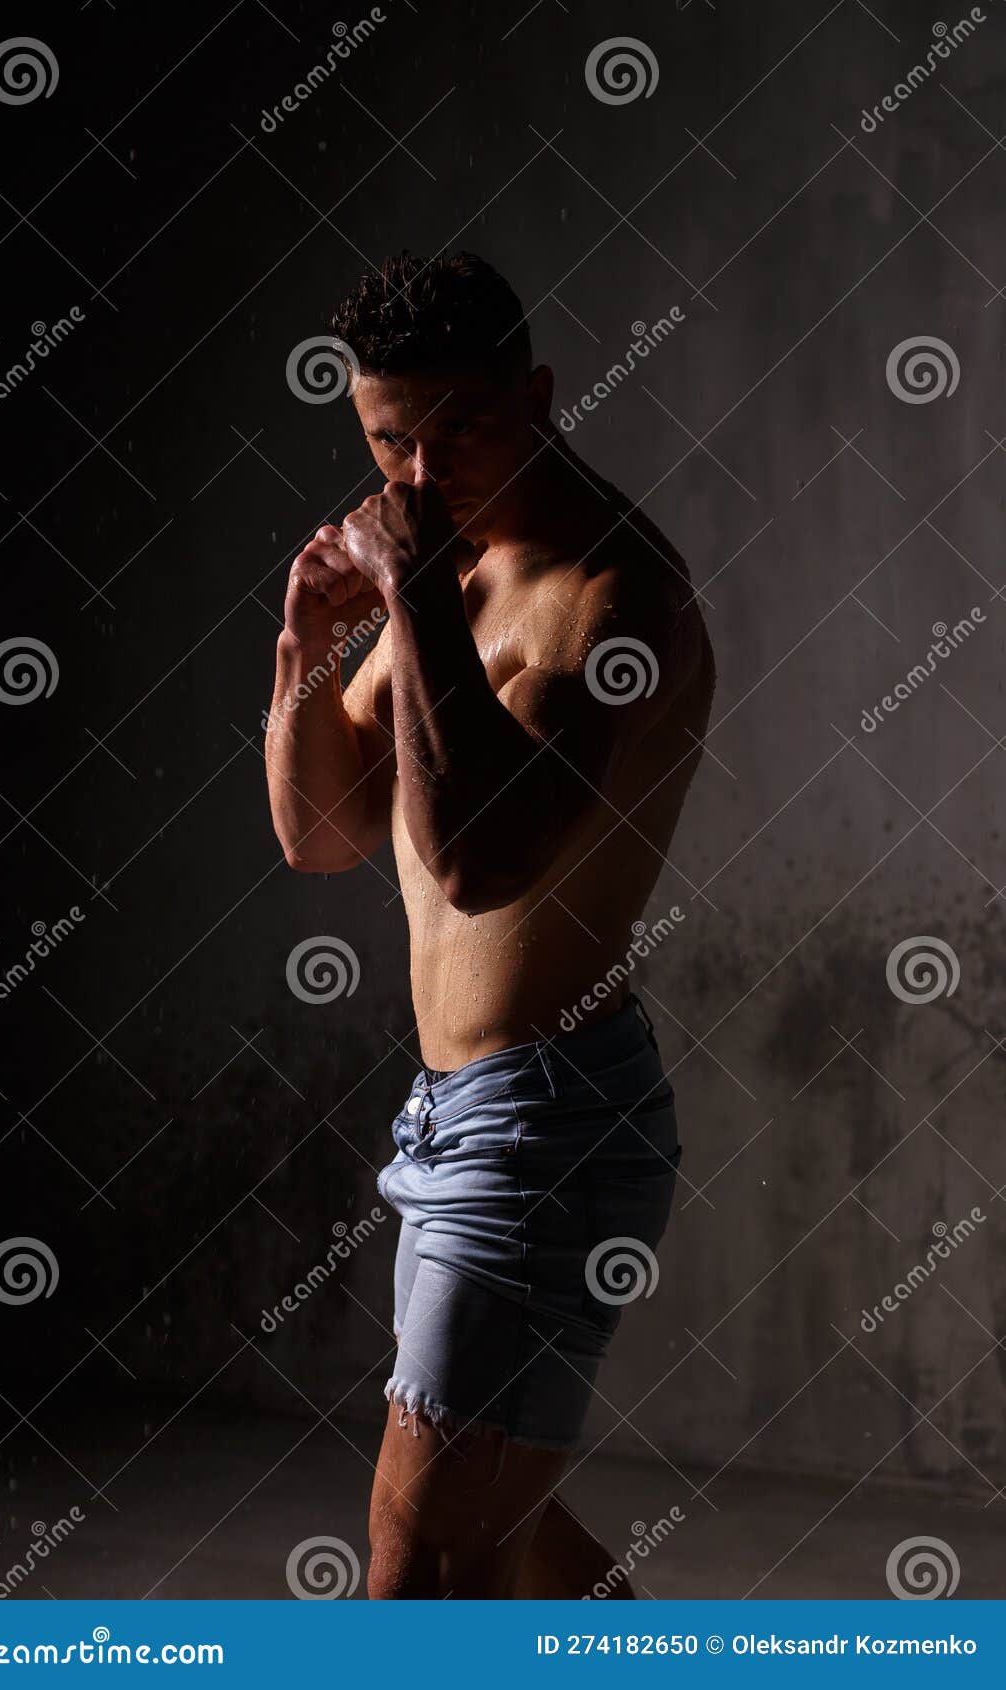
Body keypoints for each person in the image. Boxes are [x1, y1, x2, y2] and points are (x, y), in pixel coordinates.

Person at [264, 251, 716, 1598]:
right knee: (517, 1550)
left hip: (552, 1127)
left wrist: (405, 598)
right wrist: (302, 653)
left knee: (418, 1567)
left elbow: (476, 867)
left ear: (536, 393)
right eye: (387, 439)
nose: (415, 473)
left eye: (454, 428)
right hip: (455, 1116)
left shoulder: (614, 598)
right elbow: (322, 834)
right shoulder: (441, 572)